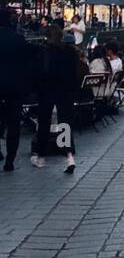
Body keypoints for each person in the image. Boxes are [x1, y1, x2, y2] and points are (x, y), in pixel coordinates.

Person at [32, 25, 83, 172]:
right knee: (65, 123)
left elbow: (38, 72)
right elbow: (75, 72)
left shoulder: (43, 51)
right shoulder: (71, 51)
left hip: (46, 90)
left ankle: (41, 157)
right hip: (65, 91)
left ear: (46, 36)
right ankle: (68, 156)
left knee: (43, 122)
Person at [0, 7, 34, 172]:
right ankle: (10, 160)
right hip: (14, 87)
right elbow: (27, 64)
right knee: (14, 124)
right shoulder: (19, 39)